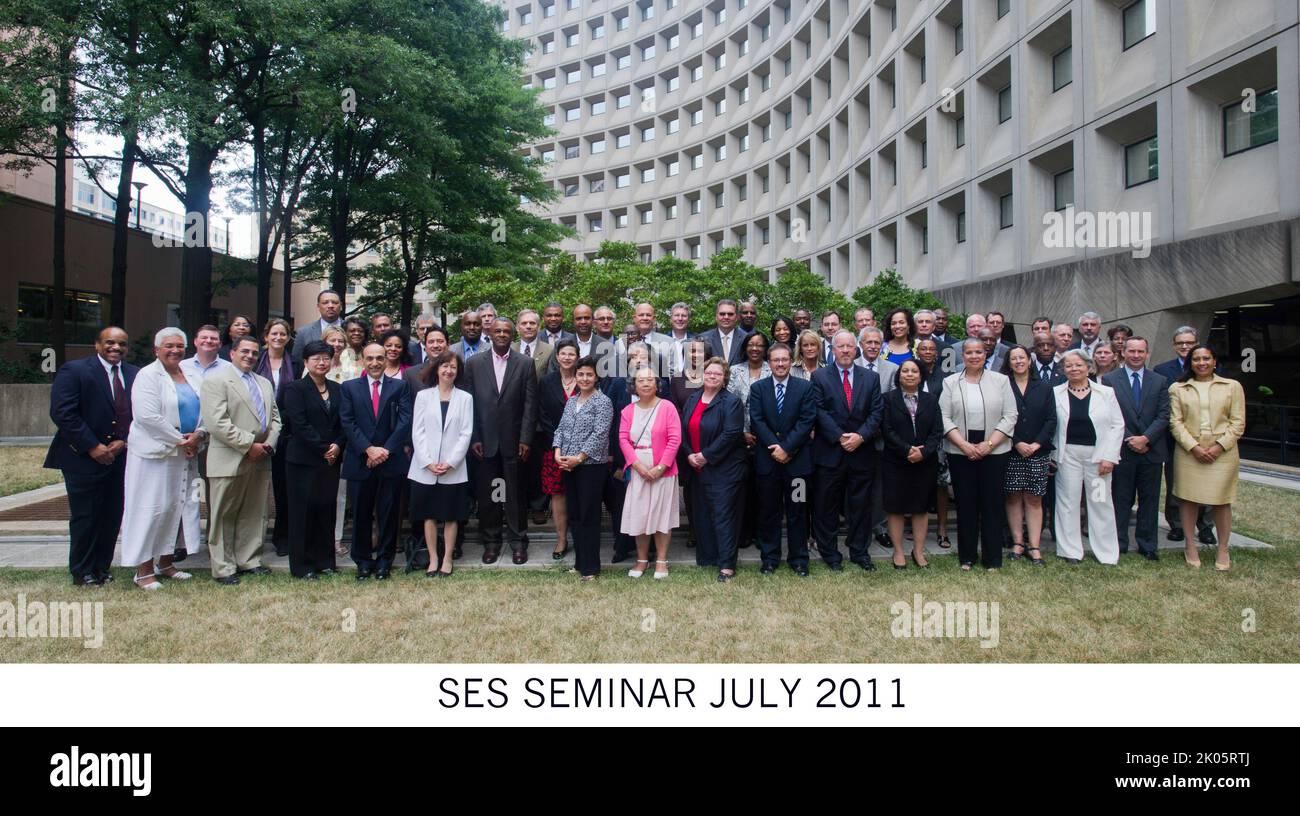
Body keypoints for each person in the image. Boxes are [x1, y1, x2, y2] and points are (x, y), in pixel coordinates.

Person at [47, 327, 138, 586]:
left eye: (122, 344)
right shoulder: (74, 371)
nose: (116, 348)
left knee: (112, 514)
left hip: (120, 456)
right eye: (110, 343)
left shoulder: (133, 374)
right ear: (97, 345)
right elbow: (63, 413)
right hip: (81, 457)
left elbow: (139, 412)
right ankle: (82, 570)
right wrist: (92, 446)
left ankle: (101, 566)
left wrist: (124, 440)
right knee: (86, 515)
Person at [120, 328, 205, 589]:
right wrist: (181, 440)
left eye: (180, 346)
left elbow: (206, 410)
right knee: (151, 509)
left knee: (177, 507)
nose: (175, 350)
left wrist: (199, 435)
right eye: (169, 346)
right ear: (156, 350)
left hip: (185, 454)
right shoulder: (147, 376)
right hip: (155, 455)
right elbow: (147, 417)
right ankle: (143, 570)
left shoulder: (191, 374)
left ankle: (166, 563)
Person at [201, 335, 282, 585]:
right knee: (224, 513)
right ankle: (224, 567)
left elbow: (276, 419)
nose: (250, 356)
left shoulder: (264, 383)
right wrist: (249, 445)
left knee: (254, 512)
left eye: (255, 353)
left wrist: (267, 445)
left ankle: (249, 560)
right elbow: (217, 423)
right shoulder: (216, 380)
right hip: (229, 456)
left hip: (260, 458)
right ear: (232, 353)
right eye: (244, 351)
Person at [939, 338, 1018, 571]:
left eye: (979, 352)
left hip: (994, 451)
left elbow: (1011, 415)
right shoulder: (951, 382)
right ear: (962, 356)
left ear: (986, 355)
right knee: (966, 505)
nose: (974, 356)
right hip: (960, 451)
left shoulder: (1001, 380)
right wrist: (964, 445)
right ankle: (967, 557)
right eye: (969, 353)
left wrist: (989, 444)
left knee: (992, 505)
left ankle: (992, 558)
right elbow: (943, 416)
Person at [464, 317, 538, 564]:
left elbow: (530, 404)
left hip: (514, 442)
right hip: (484, 444)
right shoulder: (474, 363)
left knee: (514, 495)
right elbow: (469, 403)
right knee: (490, 496)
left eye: (507, 331)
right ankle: (492, 542)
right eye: (498, 331)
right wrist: (474, 436)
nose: (502, 335)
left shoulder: (525, 363)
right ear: (490, 333)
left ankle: (518, 543)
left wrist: (526, 438)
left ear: (513, 333)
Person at [810, 330, 884, 571]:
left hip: (862, 453)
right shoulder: (819, 377)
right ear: (832, 350)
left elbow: (876, 412)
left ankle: (859, 552)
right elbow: (819, 411)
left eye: (849, 347)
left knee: (860, 506)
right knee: (826, 506)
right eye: (840, 347)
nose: (844, 350)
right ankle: (830, 554)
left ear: (856, 349)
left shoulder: (870, 378)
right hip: (830, 452)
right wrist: (840, 437)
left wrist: (860, 436)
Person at [1168, 345, 1246, 570]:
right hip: (1189, 451)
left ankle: (1223, 548)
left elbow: (1238, 422)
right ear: (1189, 363)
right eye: (1196, 359)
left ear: (1214, 361)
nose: (1201, 363)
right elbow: (1176, 422)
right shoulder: (1179, 388)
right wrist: (1193, 447)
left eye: (1206, 358)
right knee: (1188, 498)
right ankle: (1190, 545)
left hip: (1223, 452)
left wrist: (1219, 447)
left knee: (1221, 500)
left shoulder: (1232, 386)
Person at [339, 343, 411, 580]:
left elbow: (405, 421)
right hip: (361, 460)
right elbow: (347, 422)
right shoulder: (349, 388)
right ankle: (362, 561)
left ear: (386, 359)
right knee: (360, 513)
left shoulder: (400, 386)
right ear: (362, 360)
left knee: (389, 513)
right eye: (370, 358)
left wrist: (385, 451)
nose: (375, 363)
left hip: (390, 461)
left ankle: (384, 561)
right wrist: (369, 450)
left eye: (379, 358)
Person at [1050, 350, 1125, 564]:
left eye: (1078, 365)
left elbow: (1117, 425)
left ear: (1088, 366)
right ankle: (1070, 551)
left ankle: (1106, 553)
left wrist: (1110, 457)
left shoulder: (1105, 393)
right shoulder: (1056, 393)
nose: (1074, 369)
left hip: (1098, 456)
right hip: (1068, 455)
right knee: (1068, 502)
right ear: (1063, 370)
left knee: (1100, 502)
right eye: (1069, 366)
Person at [748, 342, 816, 575]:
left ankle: (798, 559)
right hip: (768, 464)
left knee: (798, 510)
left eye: (784, 360)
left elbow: (807, 421)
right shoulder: (758, 389)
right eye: (775, 360)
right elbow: (756, 421)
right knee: (769, 510)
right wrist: (775, 448)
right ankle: (770, 558)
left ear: (790, 361)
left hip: (798, 465)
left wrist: (787, 449)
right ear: (769, 362)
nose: (780, 364)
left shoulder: (805, 388)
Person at [281, 340, 345, 579]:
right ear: (306, 362)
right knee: (302, 513)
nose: (321, 362)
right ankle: (302, 565)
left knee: (325, 510)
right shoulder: (295, 389)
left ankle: (325, 561)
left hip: (330, 461)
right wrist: (324, 448)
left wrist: (338, 446)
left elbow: (343, 423)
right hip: (303, 460)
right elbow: (299, 424)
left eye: (326, 358)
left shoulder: (338, 389)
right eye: (316, 358)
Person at [1102, 336, 1170, 561]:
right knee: (1121, 499)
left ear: (1147, 353)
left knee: (1149, 500)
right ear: (1123, 353)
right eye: (1131, 351)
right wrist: (1131, 439)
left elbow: (1164, 415)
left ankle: (1148, 544)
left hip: (1151, 450)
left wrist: (1146, 438)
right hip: (1122, 449)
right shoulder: (1110, 380)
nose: (1136, 355)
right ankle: (1119, 542)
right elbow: (1109, 415)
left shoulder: (1160, 380)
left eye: (1141, 351)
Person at [408, 350, 473, 577]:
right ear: (436, 369)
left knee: (451, 515)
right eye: (444, 366)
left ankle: (447, 558)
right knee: (429, 515)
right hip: (425, 467)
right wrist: (427, 462)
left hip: (452, 468)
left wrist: (451, 462)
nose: (448, 370)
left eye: (453, 367)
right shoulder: (424, 397)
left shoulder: (465, 398)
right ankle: (433, 558)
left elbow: (466, 433)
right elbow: (418, 431)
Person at [680, 358, 745, 581]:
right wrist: (689, 454)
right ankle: (708, 557)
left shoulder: (731, 402)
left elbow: (731, 433)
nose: (712, 377)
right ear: (702, 374)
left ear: (724, 377)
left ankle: (726, 565)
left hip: (723, 469)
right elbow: (683, 431)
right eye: (709, 373)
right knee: (702, 516)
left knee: (723, 516)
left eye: (718, 374)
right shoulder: (692, 399)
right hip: (696, 468)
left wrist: (705, 456)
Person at [554, 356, 615, 580]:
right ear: (576, 376)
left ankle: (591, 568)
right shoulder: (572, 400)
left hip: (590, 466)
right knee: (576, 515)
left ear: (596, 377)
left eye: (589, 374)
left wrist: (579, 458)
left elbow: (599, 435)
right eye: (581, 374)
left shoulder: (603, 402)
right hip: (568, 465)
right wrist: (558, 452)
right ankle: (580, 563)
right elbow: (560, 429)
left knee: (589, 516)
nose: (585, 378)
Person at [1154, 327, 1215, 544]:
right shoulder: (1162, 370)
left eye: (1189, 343)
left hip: (1206, 439)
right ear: (1174, 345)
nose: (1185, 346)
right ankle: (1177, 525)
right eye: (1180, 343)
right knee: (1176, 483)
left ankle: (1205, 526)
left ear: (1197, 343)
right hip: (1174, 438)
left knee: (1206, 484)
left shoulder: (1210, 368)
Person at [620, 365, 682, 578]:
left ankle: (662, 561)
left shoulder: (667, 407)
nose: (645, 383)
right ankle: (641, 560)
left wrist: (661, 467)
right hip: (638, 468)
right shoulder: (628, 411)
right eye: (640, 380)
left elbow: (675, 439)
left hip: (663, 470)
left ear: (657, 384)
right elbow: (623, 439)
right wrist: (637, 465)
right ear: (634, 386)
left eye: (650, 380)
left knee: (661, 515)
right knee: (640, 514)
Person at [881, 358, 942, 569]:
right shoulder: (888, 399)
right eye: (905, 371)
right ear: (898, 376)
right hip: (896, 461)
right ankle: (898, 551)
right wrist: (907, 450)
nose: (909, 374)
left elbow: (937, 432)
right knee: (896, 507)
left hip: (925, 462)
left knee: (920, 507)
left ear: (921, 375)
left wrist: (923, 452)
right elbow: (886, 429)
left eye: (914, 371)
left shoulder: (931, 400)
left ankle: (918, 549)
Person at [176, 324, 230, 563]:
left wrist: (202, 432)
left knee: (216, 493)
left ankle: (214, 542)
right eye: (204, 338)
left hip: (217, 440)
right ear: (195, 342)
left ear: (220, 343)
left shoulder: (229, 368)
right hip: (182, 440)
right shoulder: (180, 367)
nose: (209, 341)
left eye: (214, 338)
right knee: (180, 492)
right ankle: (178, 543)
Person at [1001, 345, 1056, 565]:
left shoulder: (1044, 387)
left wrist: (1035, 444)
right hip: (1011, 450)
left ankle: (1034, 546)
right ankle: (1017, 542)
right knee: (1013, 497)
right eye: (1013, 358)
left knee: (1034, 499)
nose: (1018, 361)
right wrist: (1017, 443)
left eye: (1022, 358)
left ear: (1030, 361)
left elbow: (1051, 420)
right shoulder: (1003, 386)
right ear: (1009, 363)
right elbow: (1000, 417)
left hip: (1037, 452)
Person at [255, 318, 296, 557]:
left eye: (283, 334)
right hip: (258, 432)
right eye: (274, 333)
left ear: (289, 338)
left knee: (283, 488)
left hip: (287, 433)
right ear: (266, 336)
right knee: (255, 488)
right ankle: (253, 539)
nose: (278, 338)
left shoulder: (297, 363)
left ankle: (283, 537)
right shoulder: (254, 362)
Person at [538, 339, 580, 558]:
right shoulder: (546, 382)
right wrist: (559, 444)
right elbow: (542, 414)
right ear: (557, 357)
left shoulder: (586, 380)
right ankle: (562, 539)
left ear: (577, 357)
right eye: (563, 354)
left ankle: (581, 538)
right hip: (554, 450)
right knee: (558, 495)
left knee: (580, 493)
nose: (567, 358)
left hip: (582, 452)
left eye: (571, 354)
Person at [729, 331, 770, 551]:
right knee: (743, 489)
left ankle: (761, 533)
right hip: (740, 439)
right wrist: (742, 432)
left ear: (765, 349)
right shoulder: (735, 371)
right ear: (745, 347)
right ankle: (744, 533)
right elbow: (729, 405)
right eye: (751, 345)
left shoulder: (772, 369)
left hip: (767, 440)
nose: (755, 349)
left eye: (760, 345)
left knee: (764, 490)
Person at [857, 326, 898, 549]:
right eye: (868, 342)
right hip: (855, 438)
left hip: (881, 437)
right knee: (857, 484)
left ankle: (880, 527)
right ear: (860, 344)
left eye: (876, 343)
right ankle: (858, 525)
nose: (872, 346)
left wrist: (878, 428)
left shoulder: (891, 369)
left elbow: (891, 403)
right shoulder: (851, 366)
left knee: (880, 486)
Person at [916, 335, 953, 549]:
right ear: (917, 352)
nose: (928, 352)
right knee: (917, 484)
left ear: (937, 354)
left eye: (931, 349)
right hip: (915, 437)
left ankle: (941, 529)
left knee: (941, 485)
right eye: (924, 349)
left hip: (939, 437)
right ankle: (916, 526)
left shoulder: (945, 376)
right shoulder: (911, 373)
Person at [291, 289, 343, 368]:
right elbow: (297, 362)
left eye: (335, 303)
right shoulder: (303, 333)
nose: (330, 306)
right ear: (318, 306)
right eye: (325, 303)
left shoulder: (352, 331)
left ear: (341, 306)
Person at [700, 299, 750, 366]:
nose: (726, 317)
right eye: (722, 314)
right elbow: (695, 370)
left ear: (736, 317)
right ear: (716, 316)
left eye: (730, 314)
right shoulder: (702, 339)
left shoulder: (747, 339)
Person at [514, 308, 554, 378]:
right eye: (524, 323)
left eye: (532, 323)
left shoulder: (550, 350)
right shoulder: (510, 349)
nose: (528, 326)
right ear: (517, 327)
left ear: (539, 327)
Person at [666, 302, 695, 375]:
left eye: (684, 316)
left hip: (691, 384)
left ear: (689, 319)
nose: (680, 318)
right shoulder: (662, 341)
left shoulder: (697, 341)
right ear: (670, 319)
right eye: (676, 315)